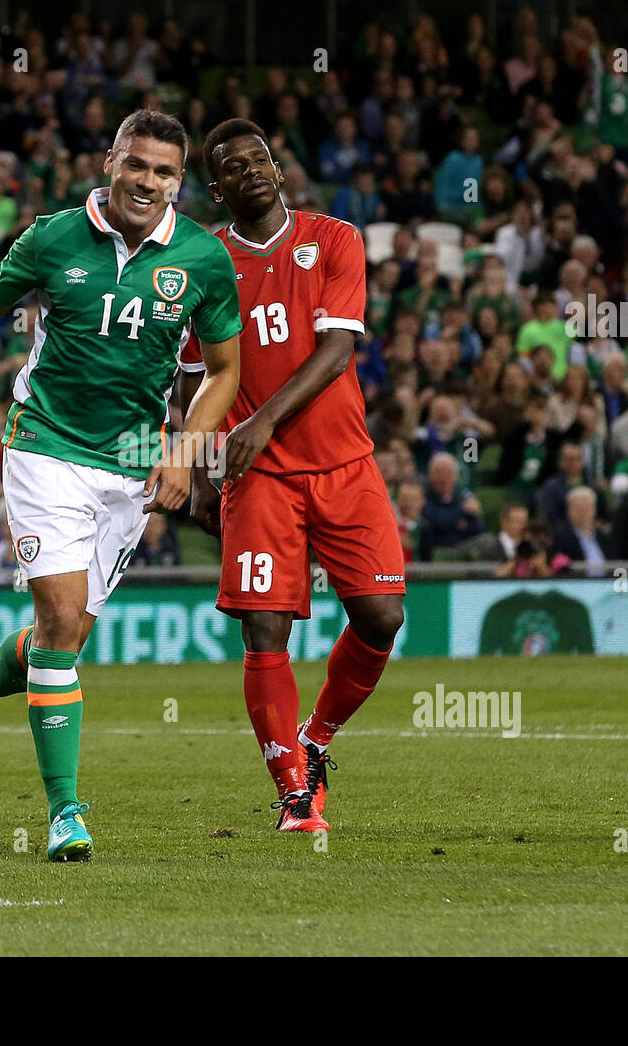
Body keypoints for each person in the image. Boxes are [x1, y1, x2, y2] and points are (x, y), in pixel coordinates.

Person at [0, 109, 241, 862]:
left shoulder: (205, 259)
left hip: (131, 462)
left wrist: (182, 453)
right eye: (136, 164)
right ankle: (65, 813)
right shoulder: (52, 236)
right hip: (45, 444)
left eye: (164, 172)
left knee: (66, 635)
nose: (147, 181)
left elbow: (224, 371)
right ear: (110, 161)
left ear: (179, 183)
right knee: (59, 619)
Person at [179, 118, 404, 834]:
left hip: (344, 460)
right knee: (264, 630)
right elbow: (193, 374)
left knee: (383, 615)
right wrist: (203, 464)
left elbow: (337, 350)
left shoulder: (335, 238)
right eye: (232, 167)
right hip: (261, 475)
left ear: (279, 169)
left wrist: (263, 419)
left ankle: (317, 739)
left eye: (260, 159)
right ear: (217, 189)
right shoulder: (204, 261)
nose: (250, 170)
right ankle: (292, 789)